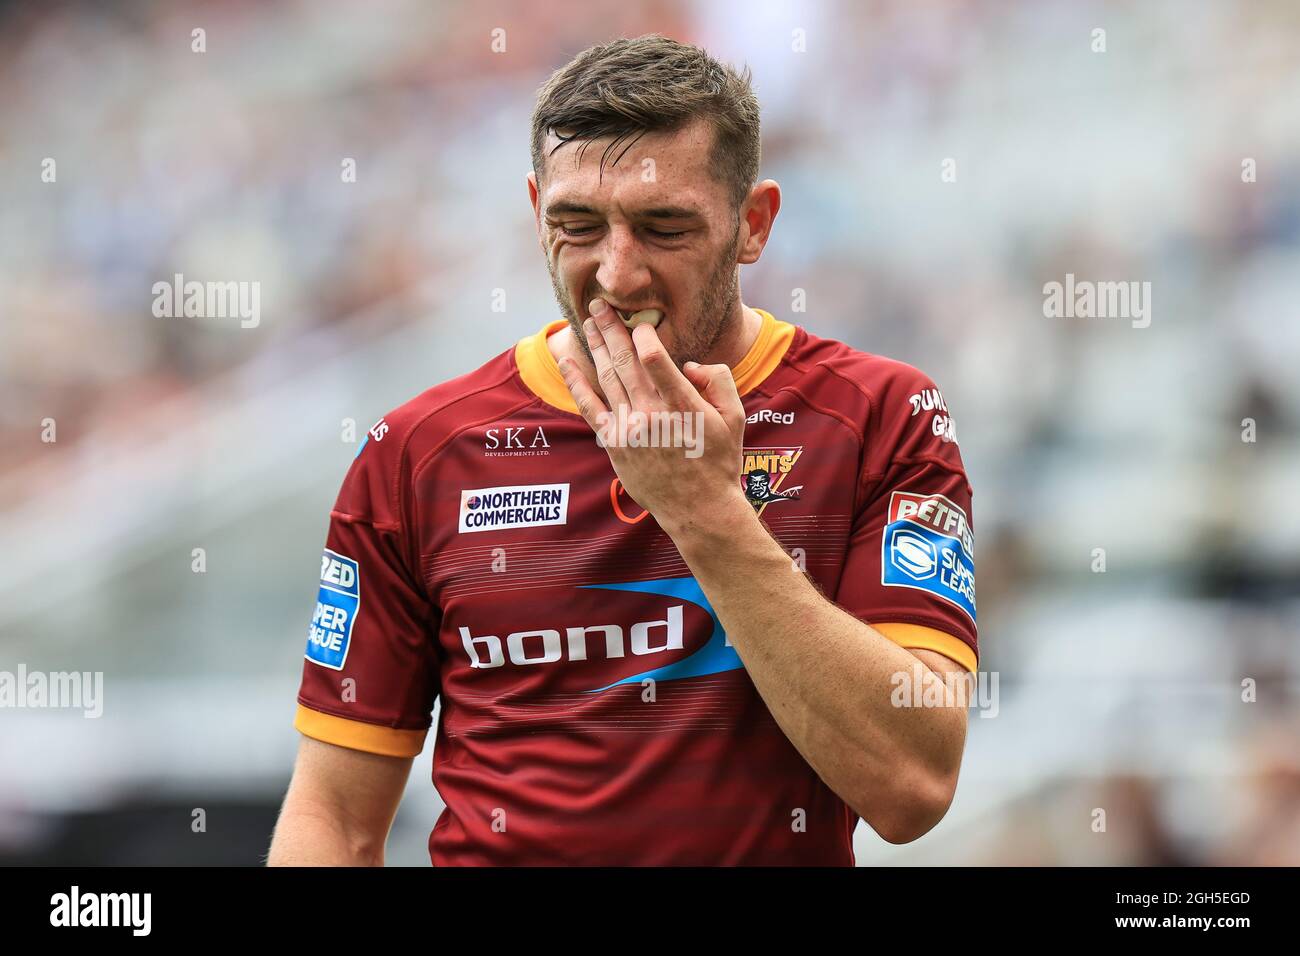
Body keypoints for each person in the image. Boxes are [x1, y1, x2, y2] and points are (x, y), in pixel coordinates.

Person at [269, 34, 978, 867]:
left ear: (753, 224)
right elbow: (333, 818)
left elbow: (914, 786)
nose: (618, 275)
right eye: (577, 225)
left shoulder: (882, 415)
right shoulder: (419, 452)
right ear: (535, 210)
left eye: (663, 227)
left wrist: (705, 510)